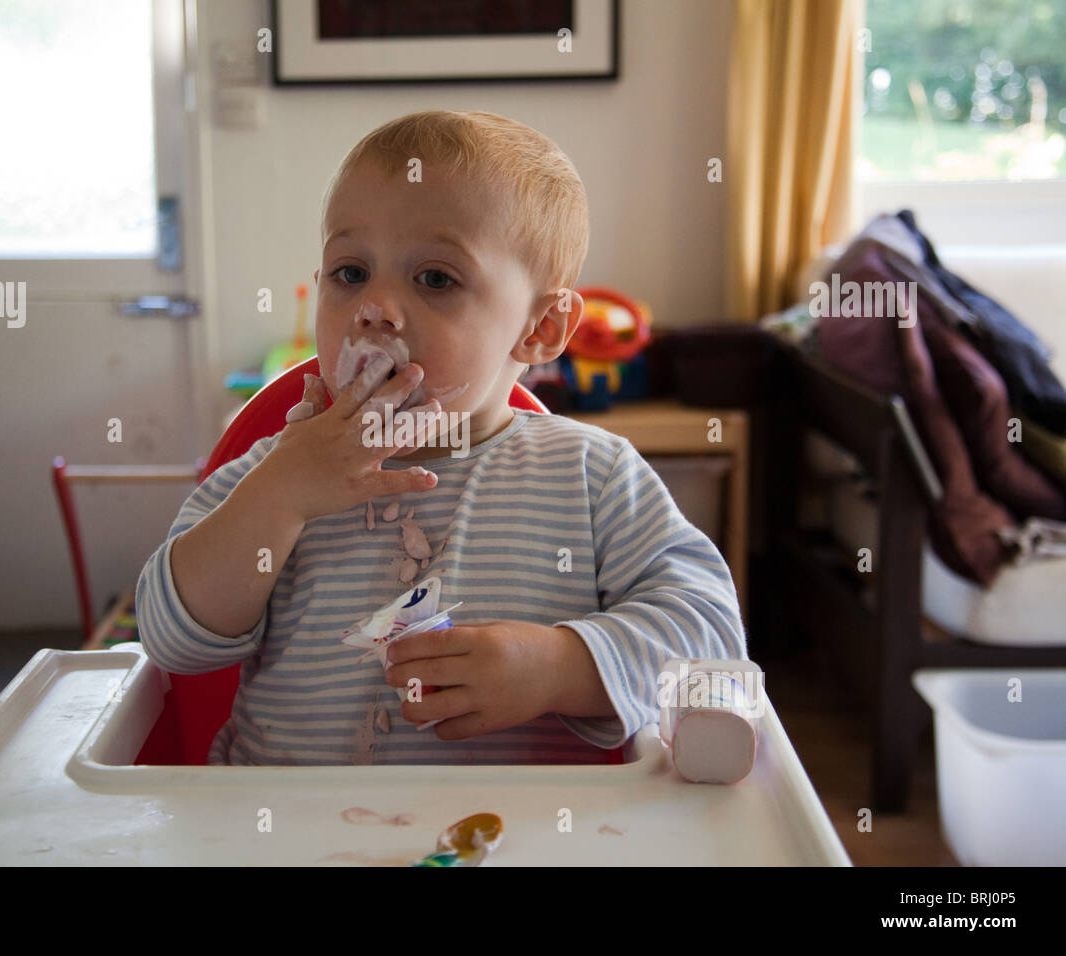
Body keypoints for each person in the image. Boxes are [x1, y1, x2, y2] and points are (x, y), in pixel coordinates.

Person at [136, 110, 746, 765]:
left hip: (515, 840)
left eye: (435, 278)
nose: (374, 307)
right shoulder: (277, 471)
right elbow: (173, 641)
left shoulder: (590, 477)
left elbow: (712, 641)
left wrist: (557, 667)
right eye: (350, 272)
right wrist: (281, 498)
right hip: (284, 834)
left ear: (539, 329)